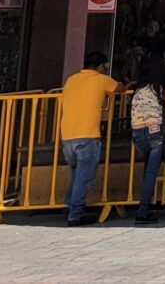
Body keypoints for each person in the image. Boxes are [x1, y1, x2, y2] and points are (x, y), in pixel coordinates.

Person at [59, 51, 117, 225]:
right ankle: (76, 213)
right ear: (100, 67)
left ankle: (69, 204)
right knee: (84, 177)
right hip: (88, 135)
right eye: (105, 68)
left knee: (76, 173)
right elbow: (119, 88)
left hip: (67, 136)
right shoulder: (101, 80)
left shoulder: (71, 80)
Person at [128, 53, 165, 225]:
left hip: (137, 133)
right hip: (156, 132)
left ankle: (147, 203)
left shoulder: (137, 89)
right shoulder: (163, 89)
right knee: (152, 172)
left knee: (147, 170)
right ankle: (143, 210)